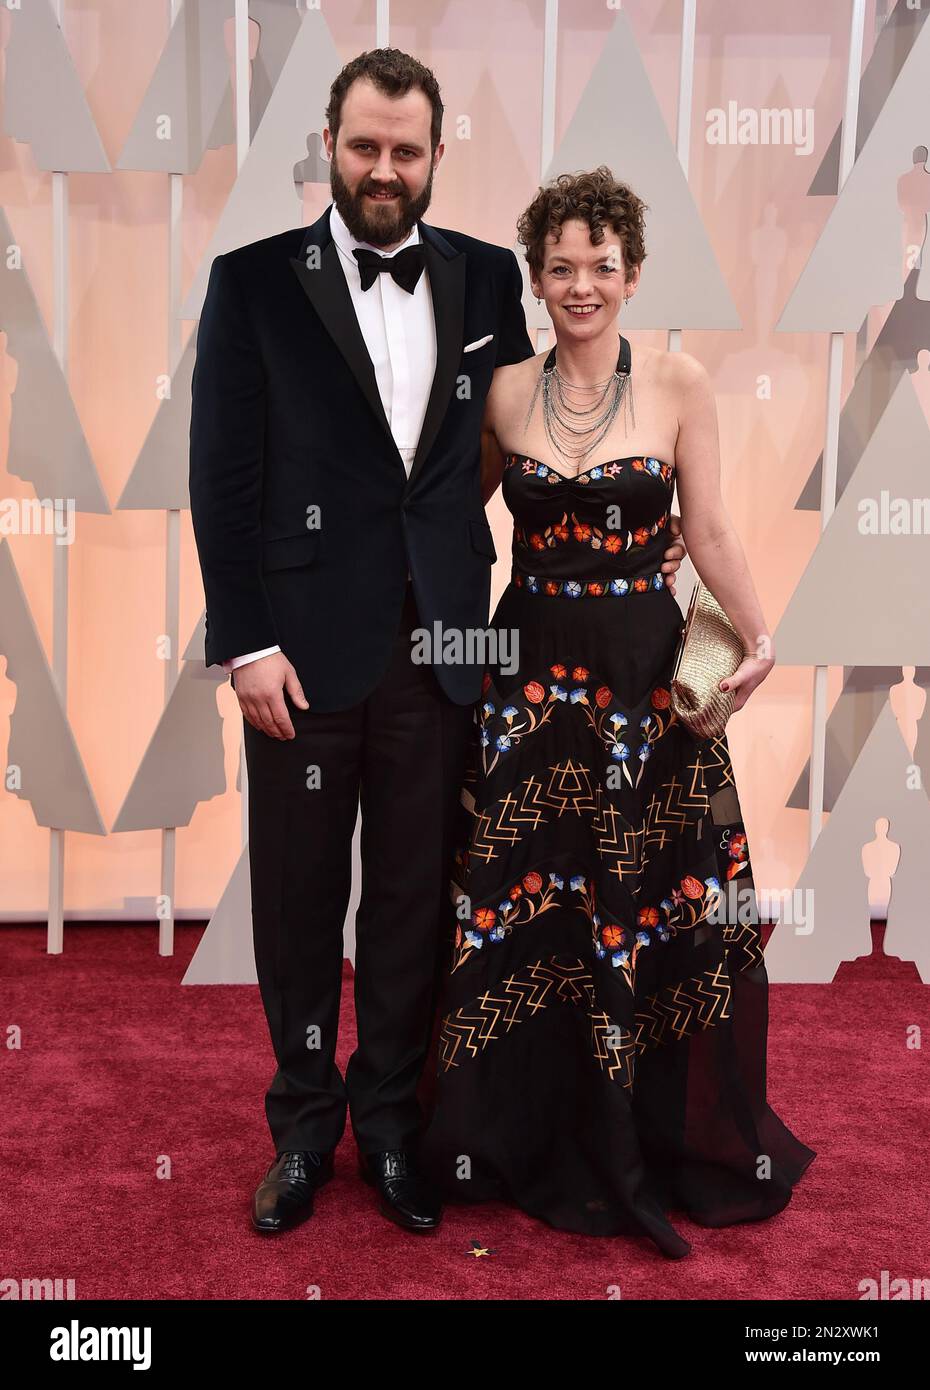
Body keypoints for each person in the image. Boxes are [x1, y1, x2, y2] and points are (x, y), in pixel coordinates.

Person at [189, 48, 692, 1236]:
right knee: (302, 901)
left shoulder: (477, 277)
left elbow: (518, 443)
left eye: (406, 150)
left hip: (450, 646)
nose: (384, 168)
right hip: (301, 656)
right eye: (364, 146)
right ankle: (305, 1130)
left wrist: (642, 529)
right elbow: (223, 476)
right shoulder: (252, 282)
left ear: (434, 157)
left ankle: (396, 1132)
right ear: (329, 146)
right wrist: (245, 640)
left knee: (416, 902)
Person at [419, 167, 816, 1259]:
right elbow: (450, 523)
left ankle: (645, 1134)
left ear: (632, 272)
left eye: (603, 265)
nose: (582, 284)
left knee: (653, 909)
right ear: (536, 279)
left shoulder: (684, 383)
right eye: (561, 267)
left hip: (646, 682)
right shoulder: (504, 391)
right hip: (531, 681)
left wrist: (759, 630)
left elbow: (714, 526)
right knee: (528, 912)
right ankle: (523, 1133)